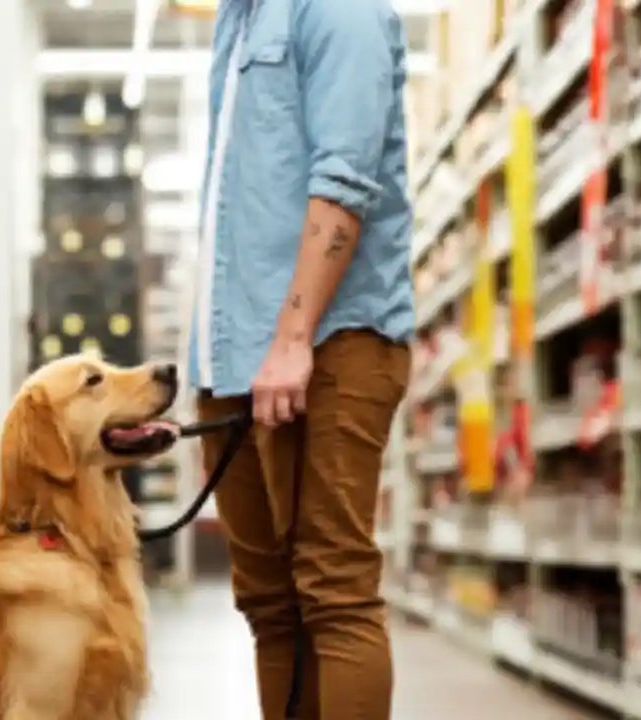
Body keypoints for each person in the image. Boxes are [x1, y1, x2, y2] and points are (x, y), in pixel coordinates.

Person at [188, 0, 413, 718]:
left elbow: (346, 176)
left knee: (334, 588)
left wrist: (291, 337)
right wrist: (209, 363)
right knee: (268, 603)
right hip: (237, 360)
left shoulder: (339, 11)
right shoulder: (238, 20)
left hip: (329, 343)